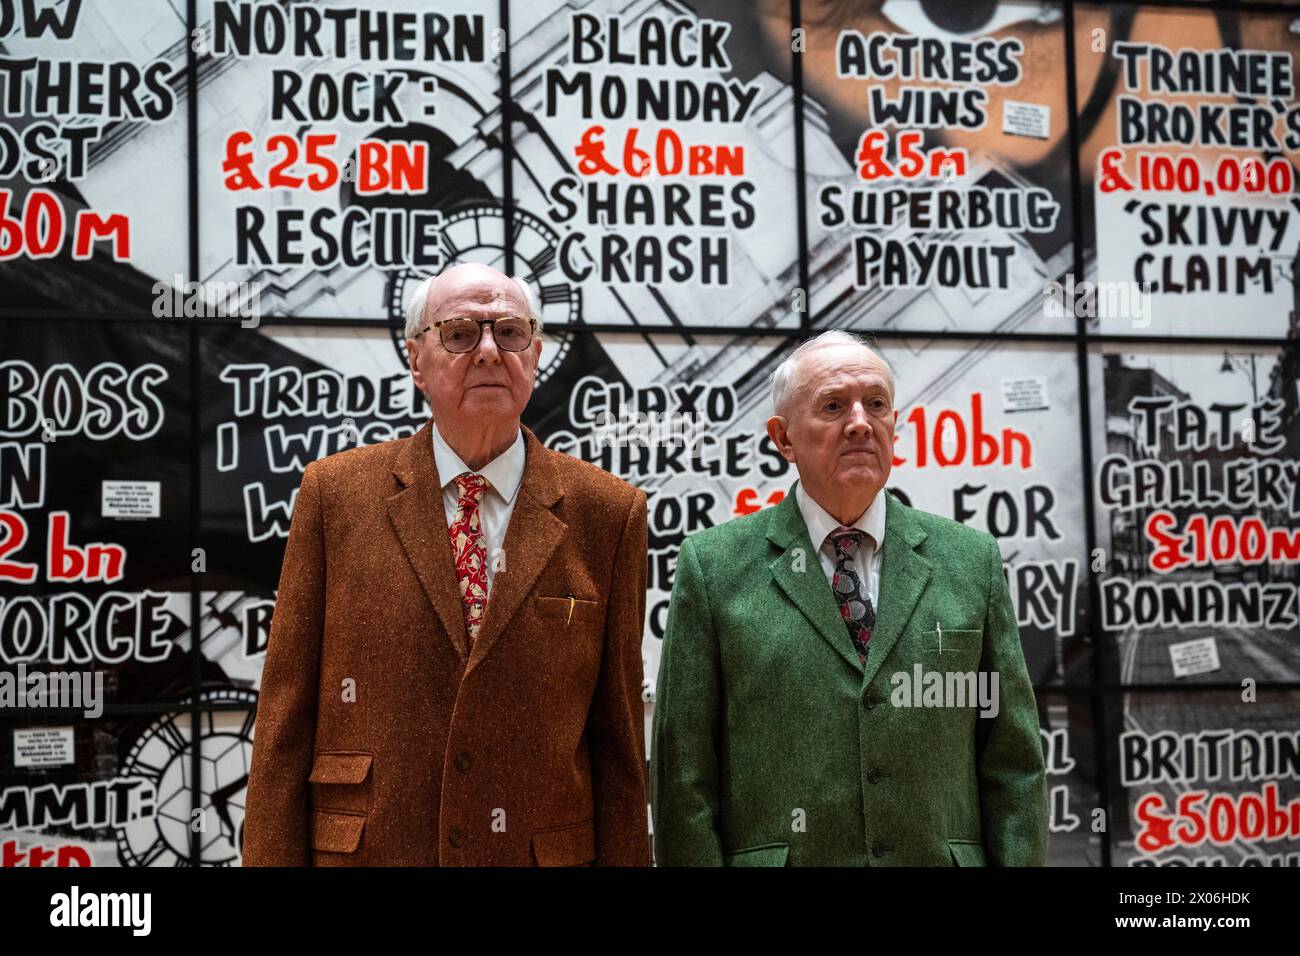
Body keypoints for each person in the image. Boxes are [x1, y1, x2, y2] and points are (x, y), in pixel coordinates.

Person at [243, 263, 650, 866]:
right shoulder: (336, 495)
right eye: (460, 333)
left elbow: (616, 740)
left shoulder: (608, 513)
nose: (489, 351)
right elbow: (285, 717)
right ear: (416, 360)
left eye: (509, 333)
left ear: (534, 355)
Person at [651, 329, 1046, 866]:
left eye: (876, 404)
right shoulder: (714, 567)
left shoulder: (971, 561)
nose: (861, 422)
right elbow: (683, 778)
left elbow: (1014, 761)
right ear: (783, 438)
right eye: (833, 405)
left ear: (894, 425)